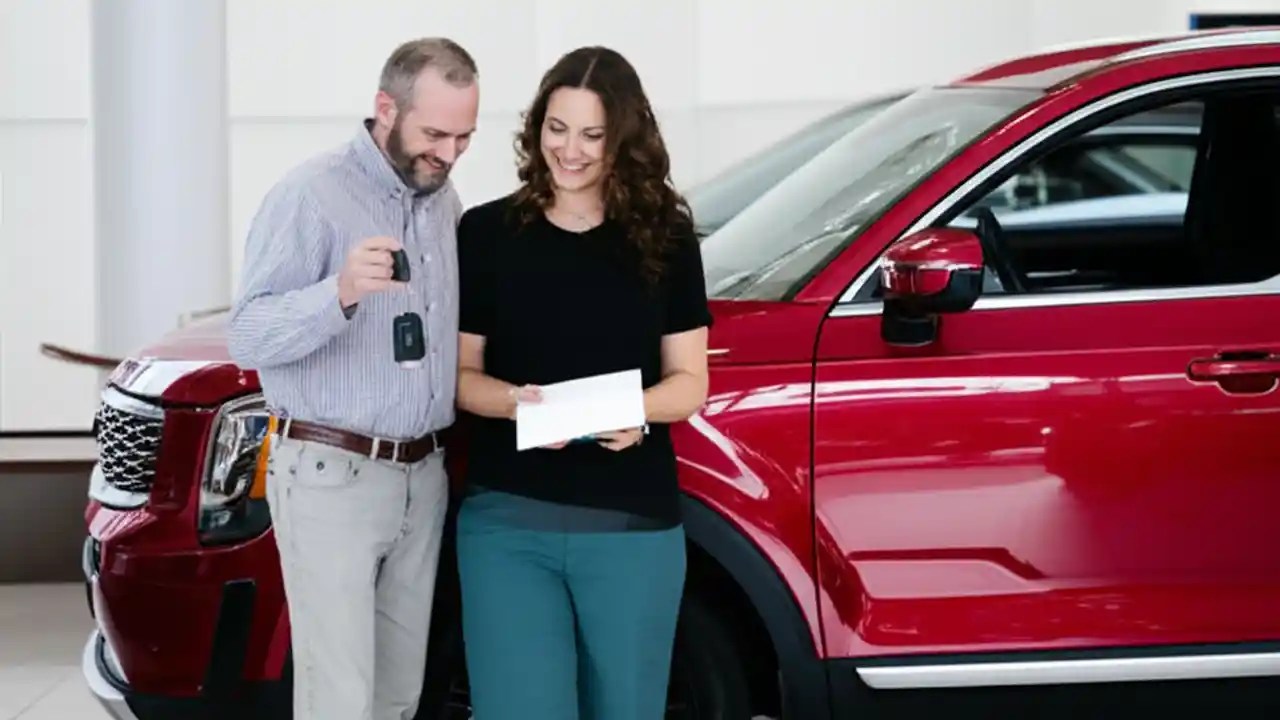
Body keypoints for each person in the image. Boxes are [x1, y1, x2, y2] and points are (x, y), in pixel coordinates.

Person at [453, 46, 712, 719]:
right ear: (536, 127)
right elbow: (460, 378)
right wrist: (516, 403)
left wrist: (635, 410)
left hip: (631, 529)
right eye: (557, 128)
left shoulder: (666, 238)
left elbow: (690, 382)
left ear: (622, 138)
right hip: (507, 527)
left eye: (592, 135)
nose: (569, 151)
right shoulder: (485, 233)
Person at [226, 37, 479, 720]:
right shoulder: (311, 194)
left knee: (398, 696)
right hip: (331, 476)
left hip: (422, 476)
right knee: (338, 698)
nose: (449, 154)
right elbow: (247, 333)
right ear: (385, 109)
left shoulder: (443, 200)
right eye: (435, 135)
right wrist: (338, 293)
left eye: (463, 138)